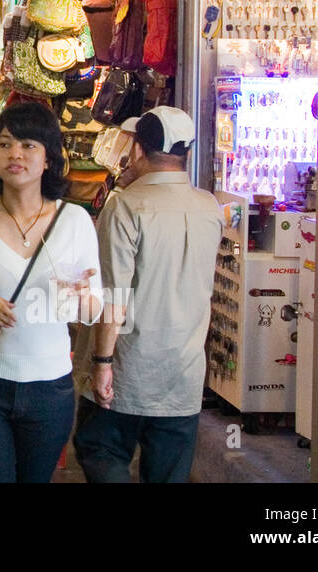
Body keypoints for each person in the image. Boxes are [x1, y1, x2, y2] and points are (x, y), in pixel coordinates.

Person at [0, 102, 103, 483]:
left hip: (50, 389)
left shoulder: (75, 221)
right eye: (5, 143)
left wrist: (81, 297)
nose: (15, 154)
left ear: (49, 159)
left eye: (29, 145)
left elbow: (96, 311)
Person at [72, 106, 223, 483]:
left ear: (138, 149)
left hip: (127, 369)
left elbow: (114, 294)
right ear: (186, 151)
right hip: (183, 373)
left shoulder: (125, 205)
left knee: (101, 451)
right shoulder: (210, 208)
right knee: (170, 472)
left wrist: (101, 362)